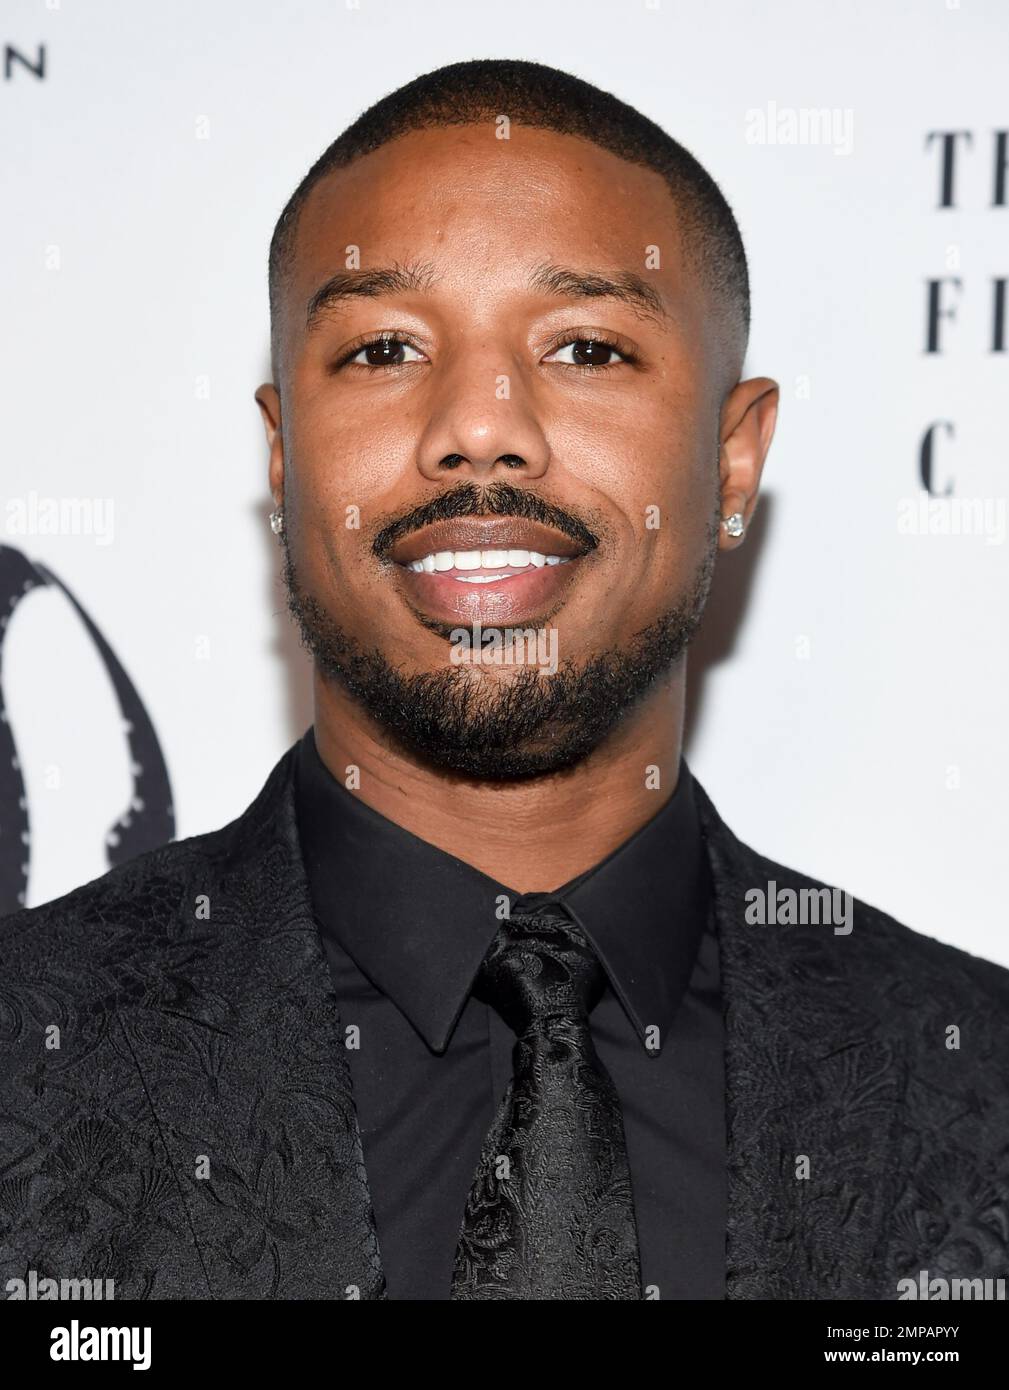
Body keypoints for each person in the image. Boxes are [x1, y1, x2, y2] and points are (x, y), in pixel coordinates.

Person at [2, 58, 1007, 1302]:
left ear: (733, 462)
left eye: (585, 345)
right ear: (281, 456)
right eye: (381, 348)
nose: (479, 424)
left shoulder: (975, 1082)